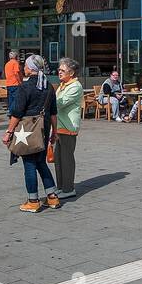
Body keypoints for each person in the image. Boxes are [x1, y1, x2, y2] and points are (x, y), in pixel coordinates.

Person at [3, 55, 59, 213]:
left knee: (29, 164)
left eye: (25, 66)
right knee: (41, 162)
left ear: (31, 68)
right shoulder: (48, 86)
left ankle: (33, 200)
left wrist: (8, 132)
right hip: (44, 128)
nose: (23, 68)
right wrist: (54, 132)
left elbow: (17, 113)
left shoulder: (25, 87)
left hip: (27, 130)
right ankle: (52, 196)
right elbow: (53, 113)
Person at [54, 57, 83, 198]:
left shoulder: (75, 86)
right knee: (58, 159)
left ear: (71, 72)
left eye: (62, 70)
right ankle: (61, 186)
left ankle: (69, 188)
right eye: (59, 69)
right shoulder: (63, 85)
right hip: (59, 127)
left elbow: (59, 103)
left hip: (68, 127)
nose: (59, 72)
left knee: (66, 159)